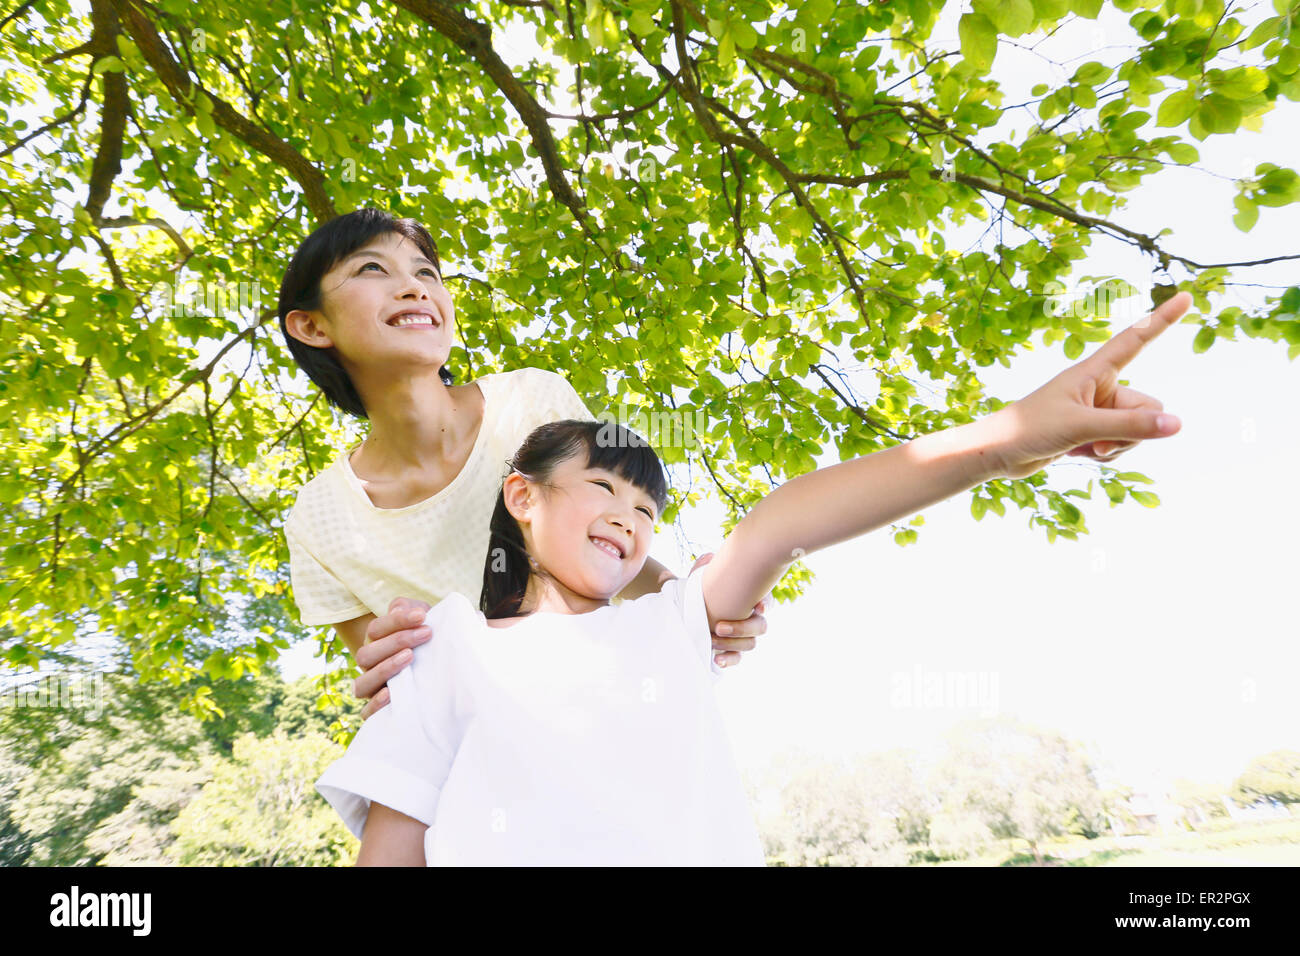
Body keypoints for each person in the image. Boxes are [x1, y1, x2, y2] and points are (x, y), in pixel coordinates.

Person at [315, 289, 1189, 865]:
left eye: (649, 510)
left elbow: (788, 517)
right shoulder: (448, 649)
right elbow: (394, 844)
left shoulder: (670, 624)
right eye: (604, 489)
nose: (629, 516)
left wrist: (1010, 436)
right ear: (523, 496)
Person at [278, 209, 769, 720]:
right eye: (372, 269)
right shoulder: (318, 519)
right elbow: (390, 682)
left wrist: (696, 606)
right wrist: (389, 673)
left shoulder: (532, 402)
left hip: (609, 705)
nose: (414, 287)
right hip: (477, 746)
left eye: (426, 272)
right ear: (311, 325)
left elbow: (605, 545)